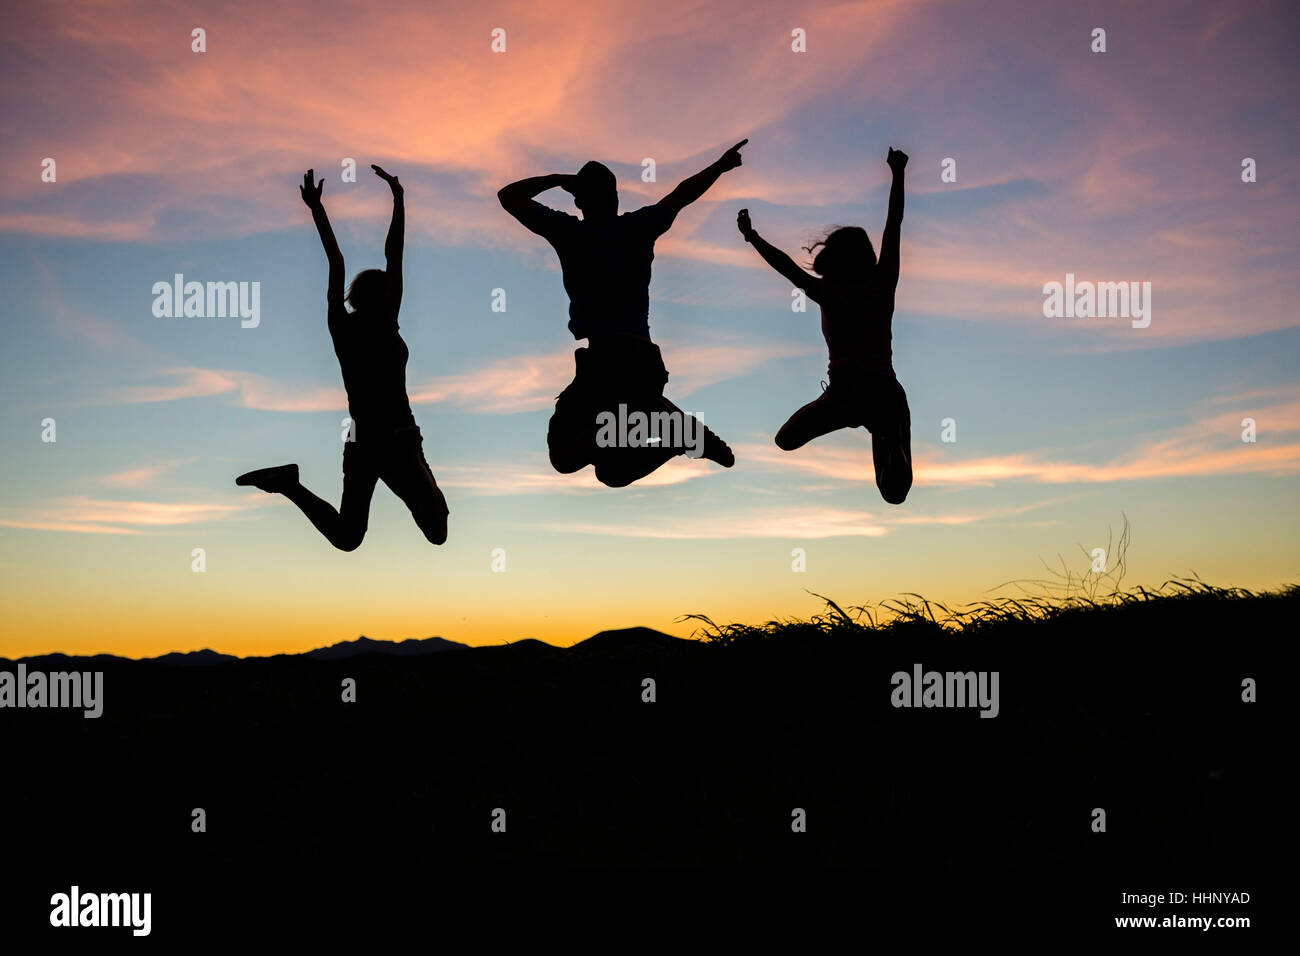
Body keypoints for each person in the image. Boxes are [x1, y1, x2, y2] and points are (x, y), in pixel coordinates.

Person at [498, 143, 748, 487]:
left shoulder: (571, 232)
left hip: (607, 362)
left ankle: (673, 428)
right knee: (611, 472)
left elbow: (509, 196)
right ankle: (674, 432)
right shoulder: (639, 226)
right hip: (641, 363)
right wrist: (720, 166)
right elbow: (682, 194)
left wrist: (558, 179)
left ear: (578, 200)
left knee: (566, 457)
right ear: (615, 197)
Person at [235, 165, 449, 549]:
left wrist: (317, 209)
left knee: (349, 537)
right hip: (396, 437)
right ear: (384, 295)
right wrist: (399, 200)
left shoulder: (340, 324)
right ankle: (427, 493)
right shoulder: (386, 320)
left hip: (362, 437)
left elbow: (336, 261)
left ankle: (289, 485)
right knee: (437, 532)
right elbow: (394, 255)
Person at [736, 147, 912, 504]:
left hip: (845, 395)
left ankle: (873, 426)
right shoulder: (882, 283)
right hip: (884, 393)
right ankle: (883, 431)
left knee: (785, 440)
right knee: (894, 493)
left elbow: (787, 267)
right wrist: (898, 172)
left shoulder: (829, 292)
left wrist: (752, 237)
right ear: (866, 256)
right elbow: (894, 224)